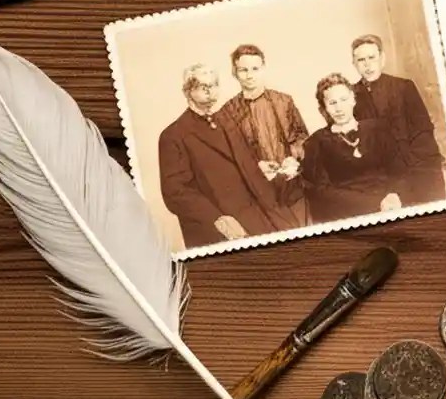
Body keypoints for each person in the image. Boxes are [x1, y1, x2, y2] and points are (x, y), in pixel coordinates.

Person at [158, 64, 301, 248]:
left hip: (261, 214)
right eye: (203, 86)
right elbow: (175, 193)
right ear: (187, 91)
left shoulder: (227, 121)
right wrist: (217, 219)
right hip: (224, 228)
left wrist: (261, 167)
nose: (210, 91)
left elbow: (239, 164)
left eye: (214, 84)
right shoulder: (174, 135)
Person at [349, 34, 446, 204]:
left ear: (382, 58)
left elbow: (423, 132)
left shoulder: (404, 87)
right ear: (354, 64)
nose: (367, 64)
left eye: (372, 57)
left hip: (416, 166)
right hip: (381, 174)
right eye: (361, 60)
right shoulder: (350, 97)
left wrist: (412, 166)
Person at [219, 44, 310, 223]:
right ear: (234, 72)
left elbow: (302, 136)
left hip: (293, 186)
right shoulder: (227, 112)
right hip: (256, 194)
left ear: (263, 68)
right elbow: (228, 156)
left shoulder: (284, 101)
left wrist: (293, 158)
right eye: (243, 70)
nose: (250, 75)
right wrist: (256, 166)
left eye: (255, 68)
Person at [301, 73, 406, 223]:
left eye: (343, 100)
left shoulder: (378, 128)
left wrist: (394, 194)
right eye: (332, 103)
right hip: (348, 213)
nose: (339, 108)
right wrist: (375, 203)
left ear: (353, 99)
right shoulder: (316, 143)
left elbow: (399, 169)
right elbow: (322, 191)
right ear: (324, 108)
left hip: (391, 206)